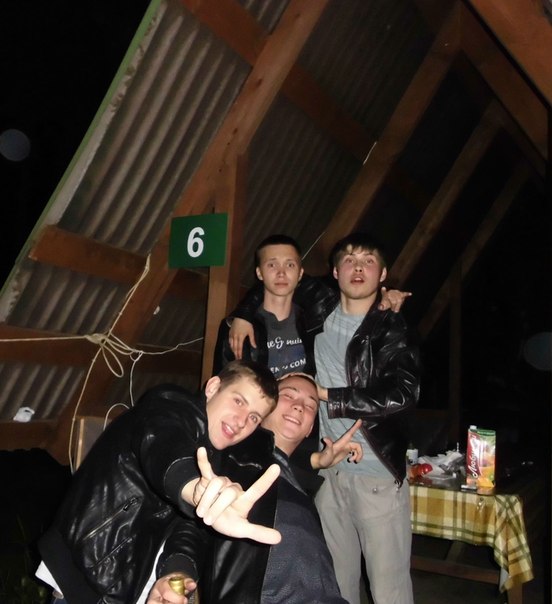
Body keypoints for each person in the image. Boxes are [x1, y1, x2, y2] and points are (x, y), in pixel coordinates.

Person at [229, 233, 420, 604]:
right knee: (334, 586)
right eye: (349, 259)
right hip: (327, 475)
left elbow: (403, 395)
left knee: (390, 591)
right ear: (335, 272)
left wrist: (329, 396)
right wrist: (241, 315)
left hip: (376, 475)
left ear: (383, 275)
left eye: (368, 260)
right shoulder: (319, 308)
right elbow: (275, 275)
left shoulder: (392, 329)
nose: (358, 267)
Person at [36, 360, 282, 604]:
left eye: (254, 418)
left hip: (130, 590)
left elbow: (190, 530)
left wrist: (177, 574)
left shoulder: (217, 462)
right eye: (238, 401)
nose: (241, 421)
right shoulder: (168, 406)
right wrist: (193, 489)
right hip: (85, 573)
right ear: (213, 387)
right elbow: (162, 444)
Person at [199, 373, 363, 604]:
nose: (299, 407)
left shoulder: (297, 484)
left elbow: (280, 463)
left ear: (310, 428)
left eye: (310, 406)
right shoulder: (231, 454)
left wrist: (316, 461)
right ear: (265, 407)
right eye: (288, 395)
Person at [214, 234, 314, 378]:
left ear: (300, 274)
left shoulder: (314, 321)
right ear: (259, 273)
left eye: (290, 265)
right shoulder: (235, 327)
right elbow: (224, 382)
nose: (281, 273)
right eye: (272, 265)